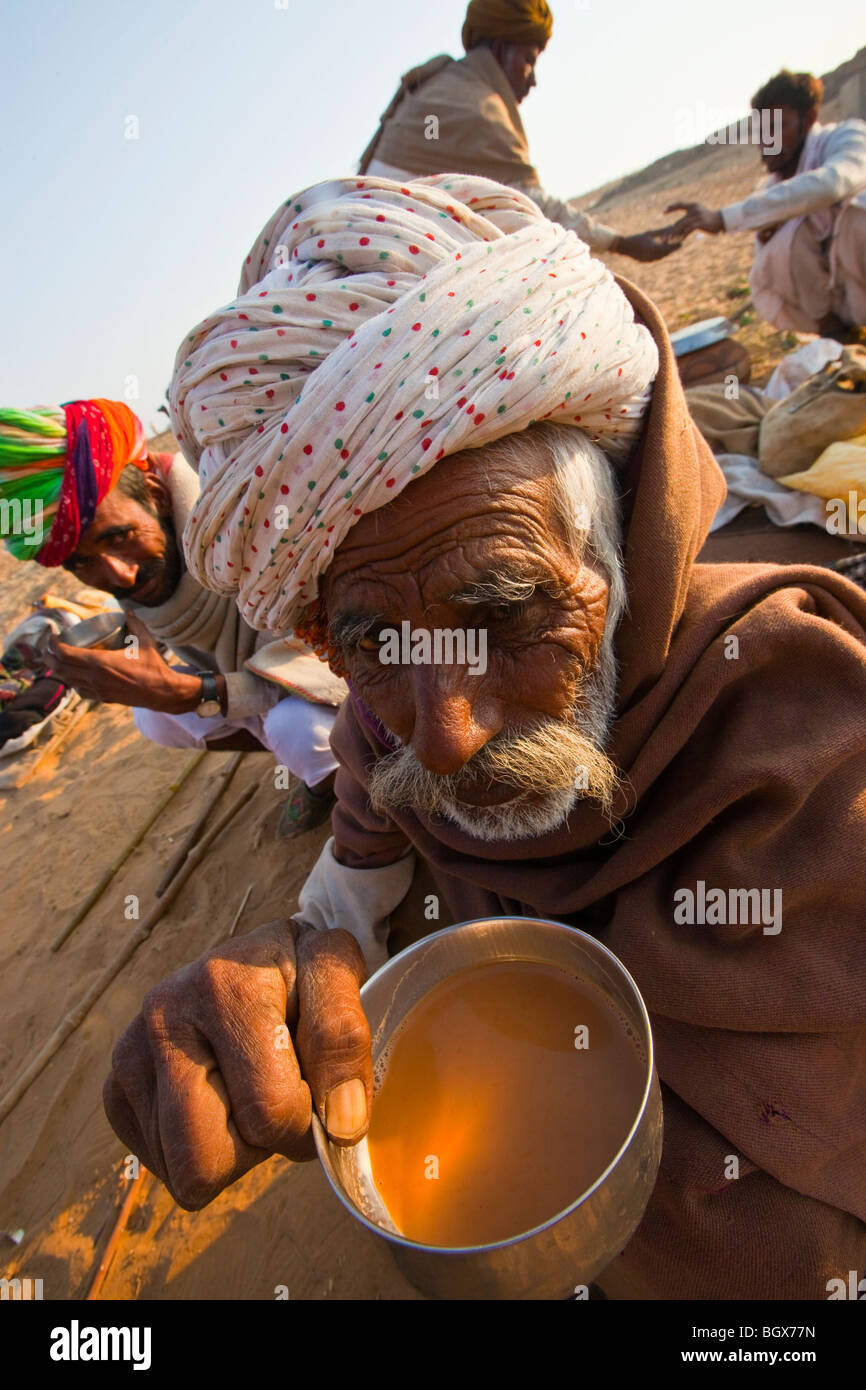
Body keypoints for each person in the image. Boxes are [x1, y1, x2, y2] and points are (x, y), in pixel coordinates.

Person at [104, 175, 866, 1299]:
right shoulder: (381, 742)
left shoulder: (815, 722)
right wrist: (285, 959)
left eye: (508, 618)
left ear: (619, 551)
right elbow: (352, 881)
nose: (445, 738)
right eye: (373, 644)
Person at [0, 401, 344, 835]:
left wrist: (186, 691)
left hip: (368, 676)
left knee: (297, 729)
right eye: (81, 563)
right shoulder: (148, 573)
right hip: (256, 683)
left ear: (156, 493)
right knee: (152, 716)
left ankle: (342, 781)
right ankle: (318, 766)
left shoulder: (240, 518)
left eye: (120, 537)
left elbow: (334, 662)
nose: (118, 575)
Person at [359, 0, 681, 263]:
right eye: (529, 60)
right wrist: (621, 244)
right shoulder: (474, 105)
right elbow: (536, 210)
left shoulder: (444, 85)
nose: (533, 79)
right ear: (501, 49)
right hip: (388, 258)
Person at [666, 69, 866, 336]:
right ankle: (838, 334)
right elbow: (771, 270)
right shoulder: (773, 189)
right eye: (760, 131)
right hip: (848, 303)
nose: (765, 142)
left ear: (808, 119)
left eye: (775, 128)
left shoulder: (846, 138)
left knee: (857, 214)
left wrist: (724, 219)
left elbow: (832, 184)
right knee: (773, 255)